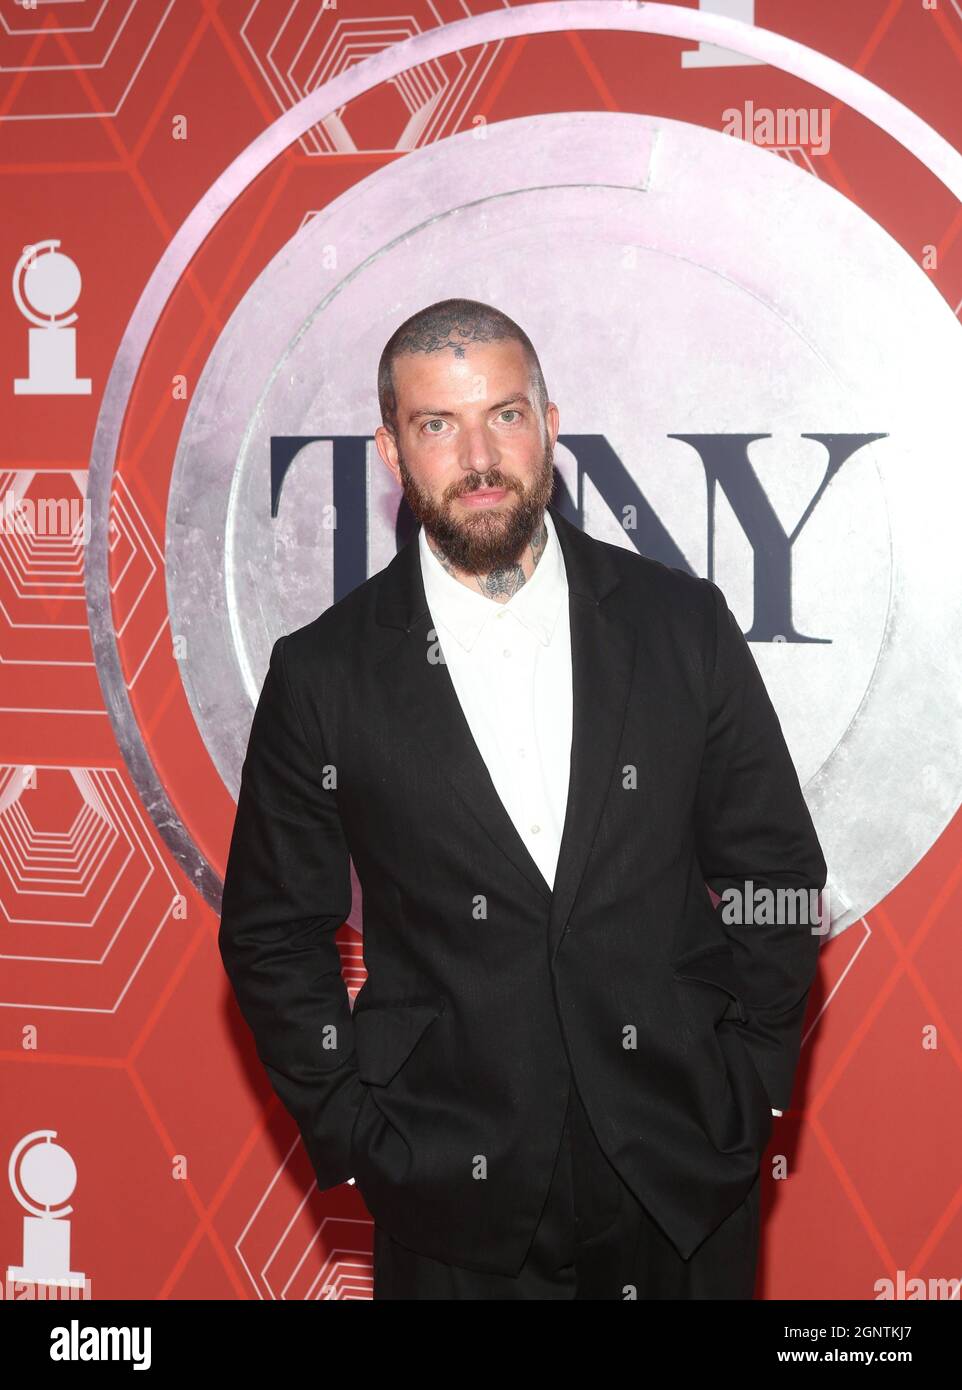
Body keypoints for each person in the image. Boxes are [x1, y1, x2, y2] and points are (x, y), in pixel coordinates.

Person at [218, 297, 827, 1299]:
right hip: (451, 1196)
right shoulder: (323, 674)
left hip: (675, 1174)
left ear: (549, 421)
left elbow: (778, 877)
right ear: (390, 451)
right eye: (435, 424)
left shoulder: (680, 627)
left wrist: (753, 1080)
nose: (478, 454)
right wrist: (356, 1129)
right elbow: (271, 934)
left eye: (502, 414)